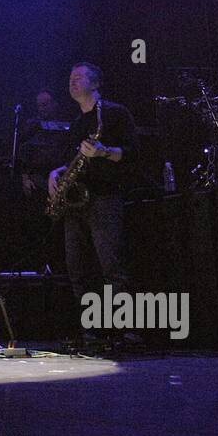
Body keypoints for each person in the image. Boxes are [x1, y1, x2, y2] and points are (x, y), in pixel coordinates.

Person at [48, 62, 137, 341]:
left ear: (95, 84)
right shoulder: (76, 124)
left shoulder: (115, 113)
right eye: (70, 78)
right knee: (78, 269)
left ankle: (127, 330)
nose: (72, 82)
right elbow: (72, 162)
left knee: (112, 266)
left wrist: (104, 151)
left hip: (105, 196)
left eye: (78, 77)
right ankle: (92, 330)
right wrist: (57, 172)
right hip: (77, 202)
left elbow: (134, 153)